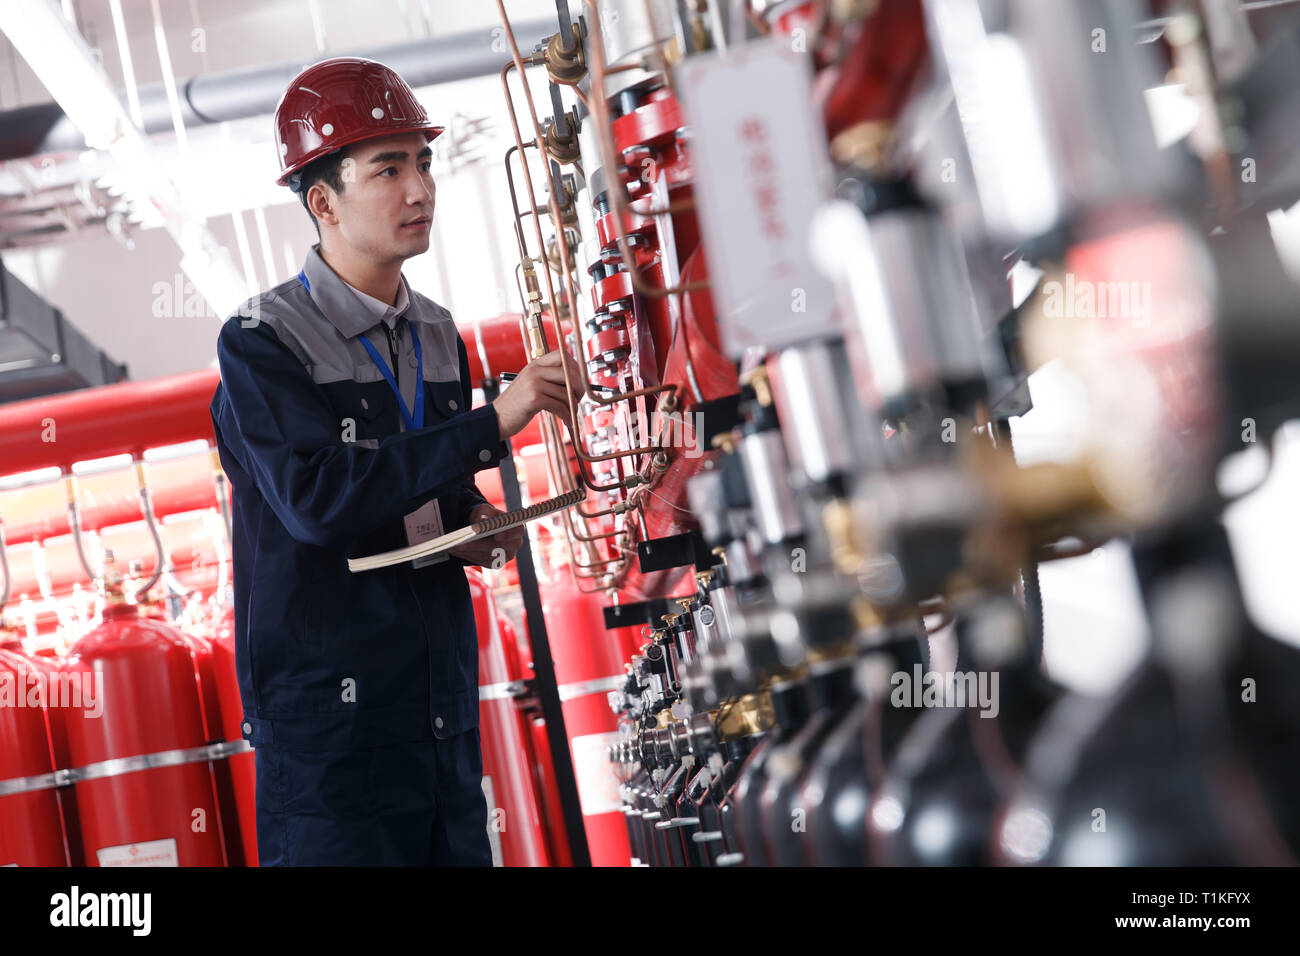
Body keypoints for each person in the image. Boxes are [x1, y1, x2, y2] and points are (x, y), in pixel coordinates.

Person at [208, 57, 584, 866]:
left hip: (437, 708)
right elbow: (320, 502)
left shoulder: (437, 332)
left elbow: (422, 489)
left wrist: (469, 520)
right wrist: (498, 420)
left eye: (424, 163)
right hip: (331, 745)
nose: (420, 189)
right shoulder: (261, 340)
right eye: (388, 168)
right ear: (323, 203)